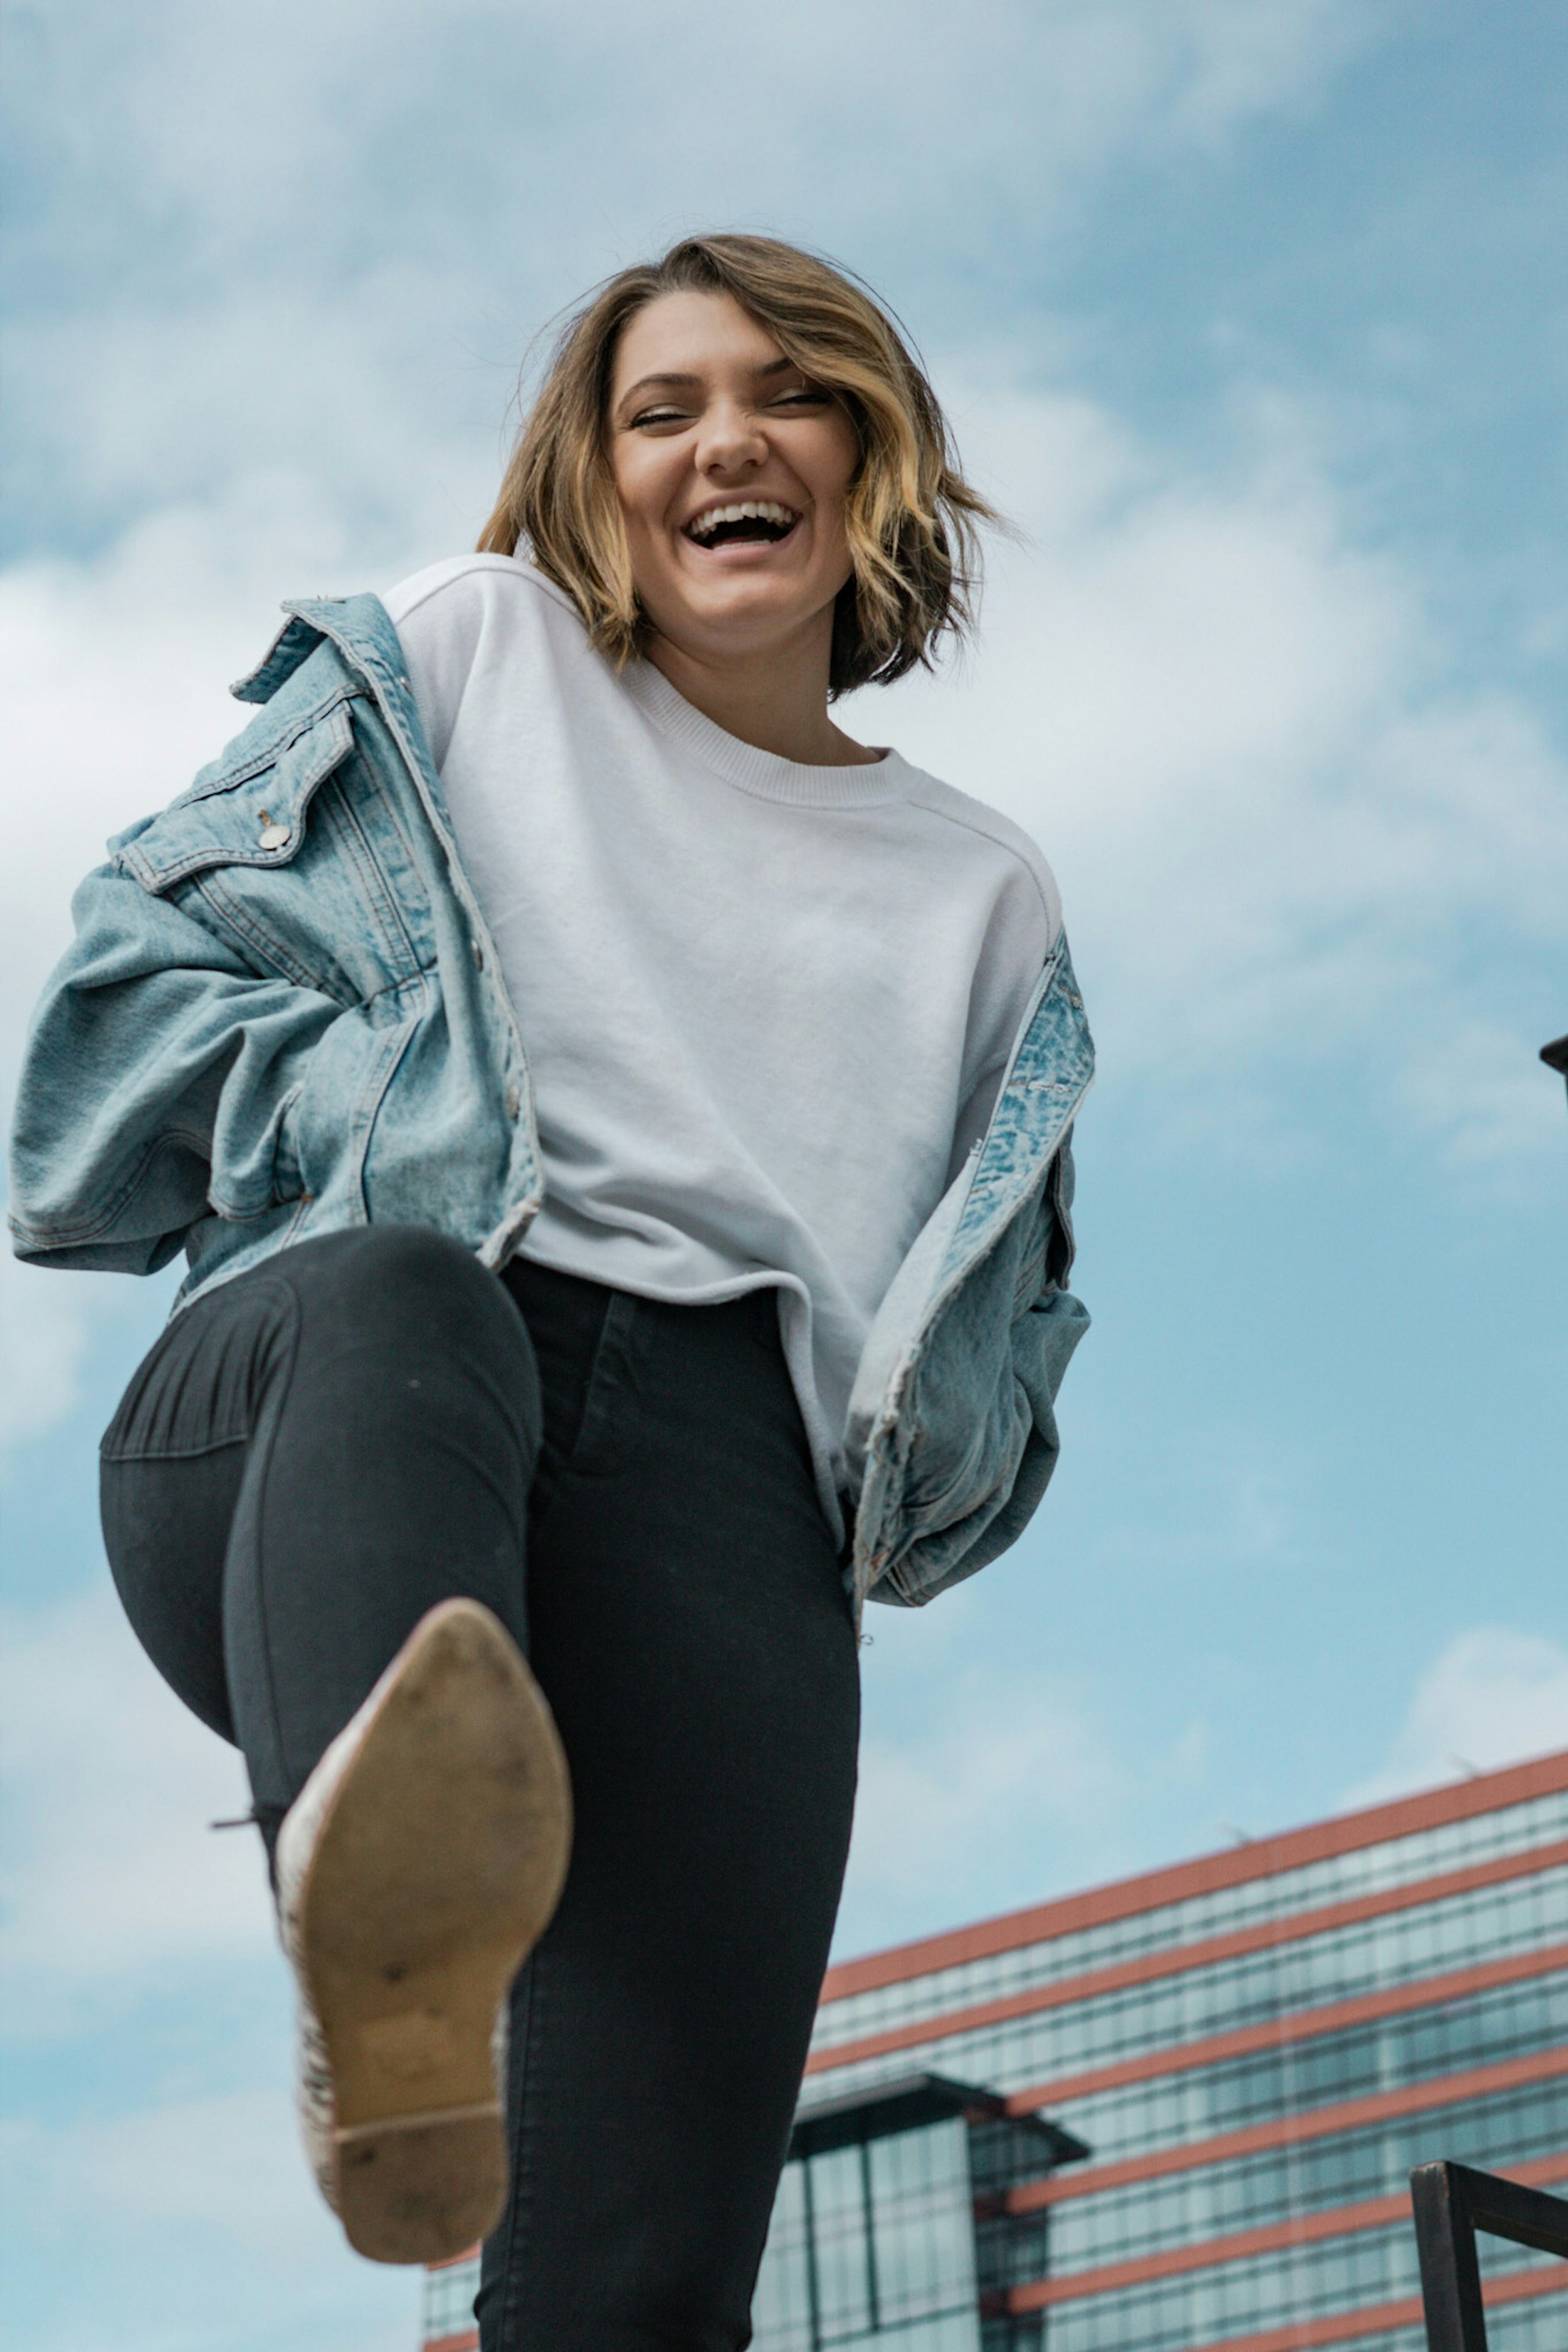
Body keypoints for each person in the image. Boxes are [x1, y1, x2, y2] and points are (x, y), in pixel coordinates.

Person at [7, 234, 1094, 2349]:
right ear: (594, 480)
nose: (725, 442)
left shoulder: (988, 890)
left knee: (640, 2285)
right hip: (350, 1380)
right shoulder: (471, 650)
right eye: (660, 409)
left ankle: (423, 1973)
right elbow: (105, 1035)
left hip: (724, 1520)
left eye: (784, 394)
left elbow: (999, 1349)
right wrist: (388, 1097)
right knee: (409, 1290)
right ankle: (375, 1931)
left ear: (870, 457)